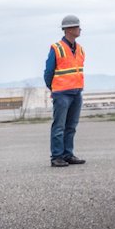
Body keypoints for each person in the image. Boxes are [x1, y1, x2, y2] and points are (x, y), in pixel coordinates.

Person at [44, 14, 87, 167]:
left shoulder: (80, 49)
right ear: (68, 29)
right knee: (59, 127)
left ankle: (68, 154)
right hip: (62, 94)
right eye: (77, 26)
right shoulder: (56, 48)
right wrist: (54, 88)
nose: (80, 29)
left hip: (76, 93)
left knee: (71, 126)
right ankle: (56, 157)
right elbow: (48, 72)